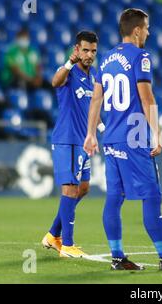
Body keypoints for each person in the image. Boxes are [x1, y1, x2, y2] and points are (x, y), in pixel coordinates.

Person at [84, 8, 162, 271]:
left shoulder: (106, 59)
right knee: (152, 196)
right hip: (134, 137)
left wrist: (91, 134)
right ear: (137, 30)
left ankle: (117, 257)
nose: (148, 32)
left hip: (111, 139)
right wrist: (156, 134)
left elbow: (96, 99)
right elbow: (147, 98)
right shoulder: (141, 57)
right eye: (146, 27)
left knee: (114, 197)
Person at [42, 31, 104, 258]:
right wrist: (69, 61)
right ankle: (67, 245)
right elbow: (54, 81)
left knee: (83, 188)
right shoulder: (68, 71)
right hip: (67, 139)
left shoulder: (94, 76)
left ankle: (52, 234)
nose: (89, 55)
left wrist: (102, 130)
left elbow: (92, 109)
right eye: (85, 50)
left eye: (93, 51)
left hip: (83, 141)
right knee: (69, 188)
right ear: (77, 49)